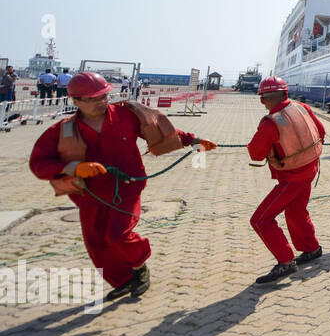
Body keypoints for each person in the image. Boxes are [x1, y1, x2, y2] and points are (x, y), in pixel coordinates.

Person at [27, 72, 215, 300]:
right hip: (90, 194)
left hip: (127, 187)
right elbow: (39, 163)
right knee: (96, 242)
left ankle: (139, 266)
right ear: (76, 101)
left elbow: (159, 129)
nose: (101, 102)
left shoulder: (127, 115)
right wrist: (74, 168)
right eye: (93, 99)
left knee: (118, 235)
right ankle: (124, 279)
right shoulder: (64, 130)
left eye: (104, 96)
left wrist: (194, 141)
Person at [245, 76, 325, 285]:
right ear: (286, 93)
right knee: (297, 211)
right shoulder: (302, 108)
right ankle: (311, 249)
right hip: (311, 169)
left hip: (292, 177)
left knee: (261, 220)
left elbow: (255, 154)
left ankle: (286, 261)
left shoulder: (270, 124)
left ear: (262, 99)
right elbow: (321, 132)